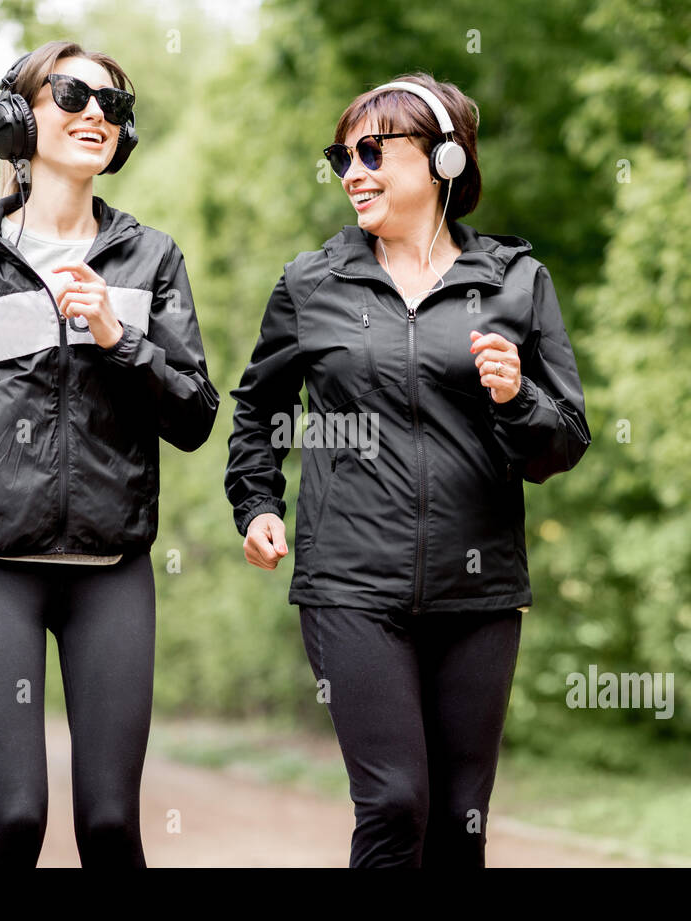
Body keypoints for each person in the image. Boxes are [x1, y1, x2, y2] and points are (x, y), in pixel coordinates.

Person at [225, 74, 591, 867]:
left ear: (444, 159)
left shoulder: (514, 283)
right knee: (396, 804)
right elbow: (258, 409)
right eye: (341, 157)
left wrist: (516, 396)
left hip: (479, 590)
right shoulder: (311, 283)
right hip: (351, 582)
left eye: (371, 152)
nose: (351, 171)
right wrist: (256, 502)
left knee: (460, 823)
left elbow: (562, 441)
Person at [0, 41, 219, 867]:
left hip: (113, 564)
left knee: (107, 825)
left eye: (115, 106)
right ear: (21, 117)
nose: (98, 113)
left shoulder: (152, 258)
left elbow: (197, 414)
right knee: (18, 815)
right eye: (74, 95)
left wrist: (115, 335)